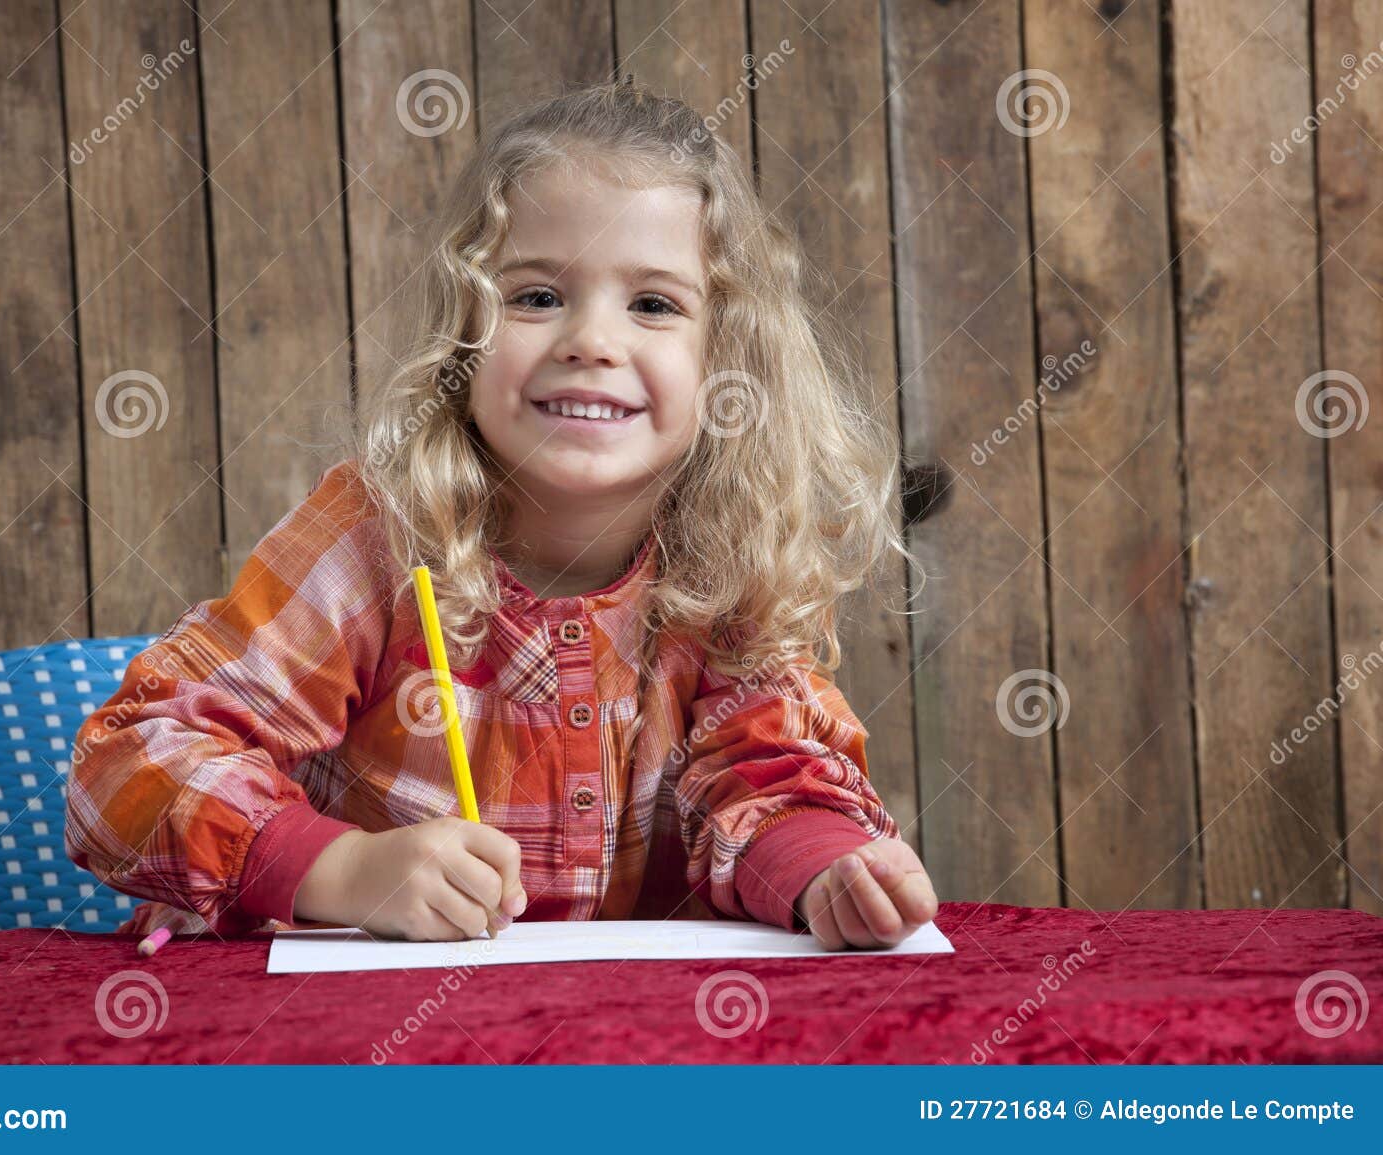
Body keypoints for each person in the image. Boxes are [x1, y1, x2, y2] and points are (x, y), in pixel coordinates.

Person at [65, 78, 937, 951]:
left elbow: (766, 780)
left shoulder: (737, 555)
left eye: (654, 304)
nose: (591, 340)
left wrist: (828, 871)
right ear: (463, 334)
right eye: (537, 297)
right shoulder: (376, 536)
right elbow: (126, 765)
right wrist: (340, 870)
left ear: (727, 358)